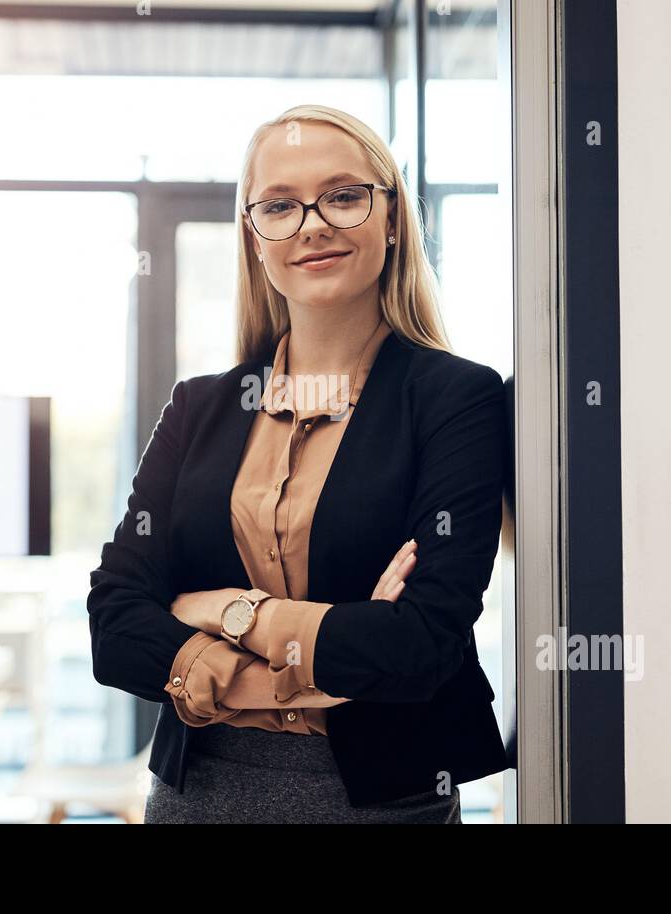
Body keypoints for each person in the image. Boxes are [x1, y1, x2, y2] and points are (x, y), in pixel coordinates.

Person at [88, 104, 511, 823]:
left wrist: (221, 613)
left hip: (386, 800)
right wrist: (313, 664)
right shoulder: (199, 408)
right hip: (198, 798)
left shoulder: (457, 398)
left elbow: (419, 645)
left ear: (391, 217)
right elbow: (114, 624)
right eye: (279, 206)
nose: (312, 223)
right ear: (254, 238)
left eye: (344, 196)